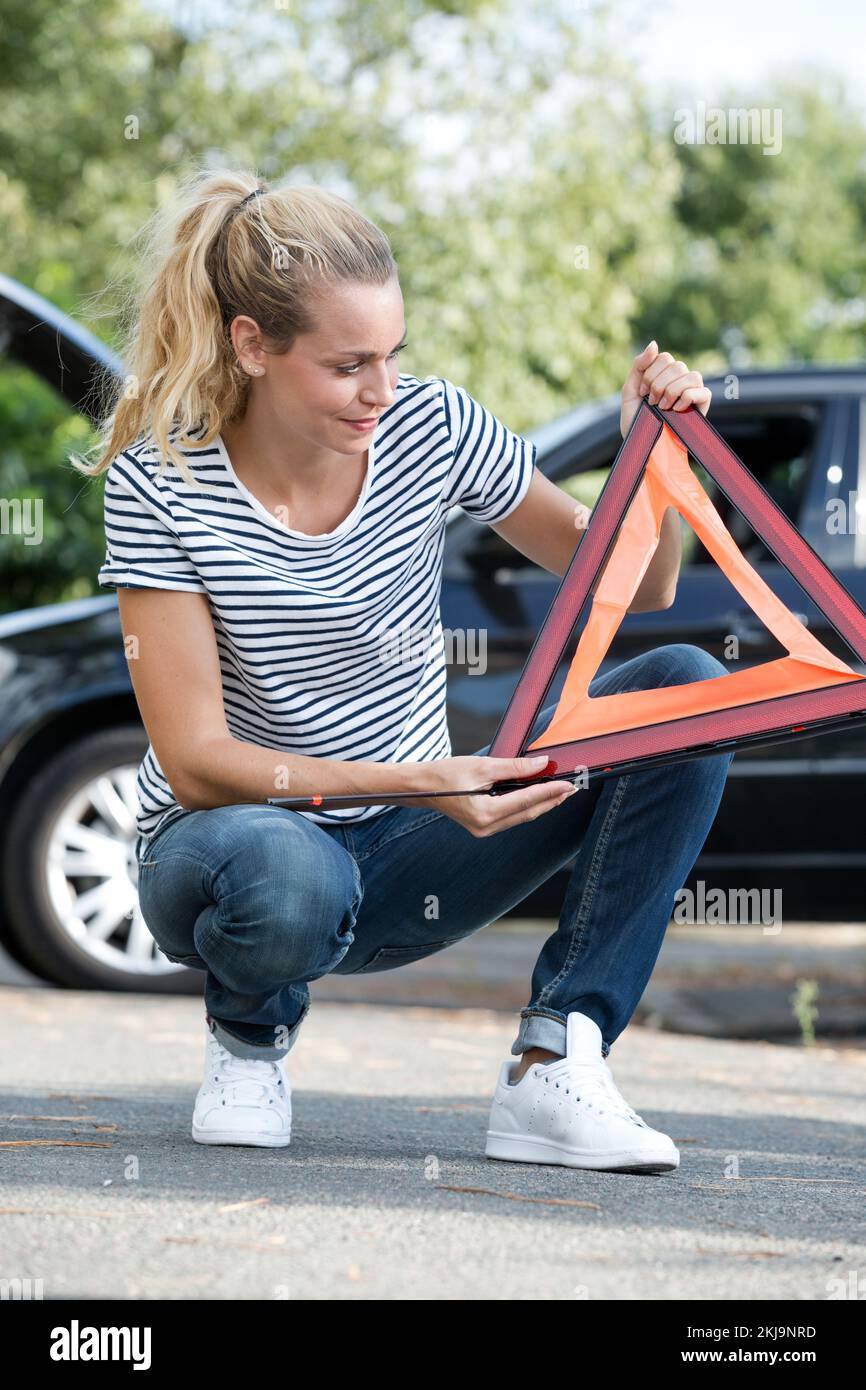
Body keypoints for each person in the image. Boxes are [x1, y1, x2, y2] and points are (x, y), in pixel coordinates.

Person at [73, 167, 733, 1174]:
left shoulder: (427, 427)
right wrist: (434, 780)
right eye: (345, 366)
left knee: (684, 686)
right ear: (252, 345)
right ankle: (249, 1032)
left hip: (408, 853)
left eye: (391, 356)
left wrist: (658, 457)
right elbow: (197, 760)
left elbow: (633, 588)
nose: (379, 391)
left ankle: (557, 1058)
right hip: (231, 860)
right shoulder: (162, 482)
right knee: (284, 869)